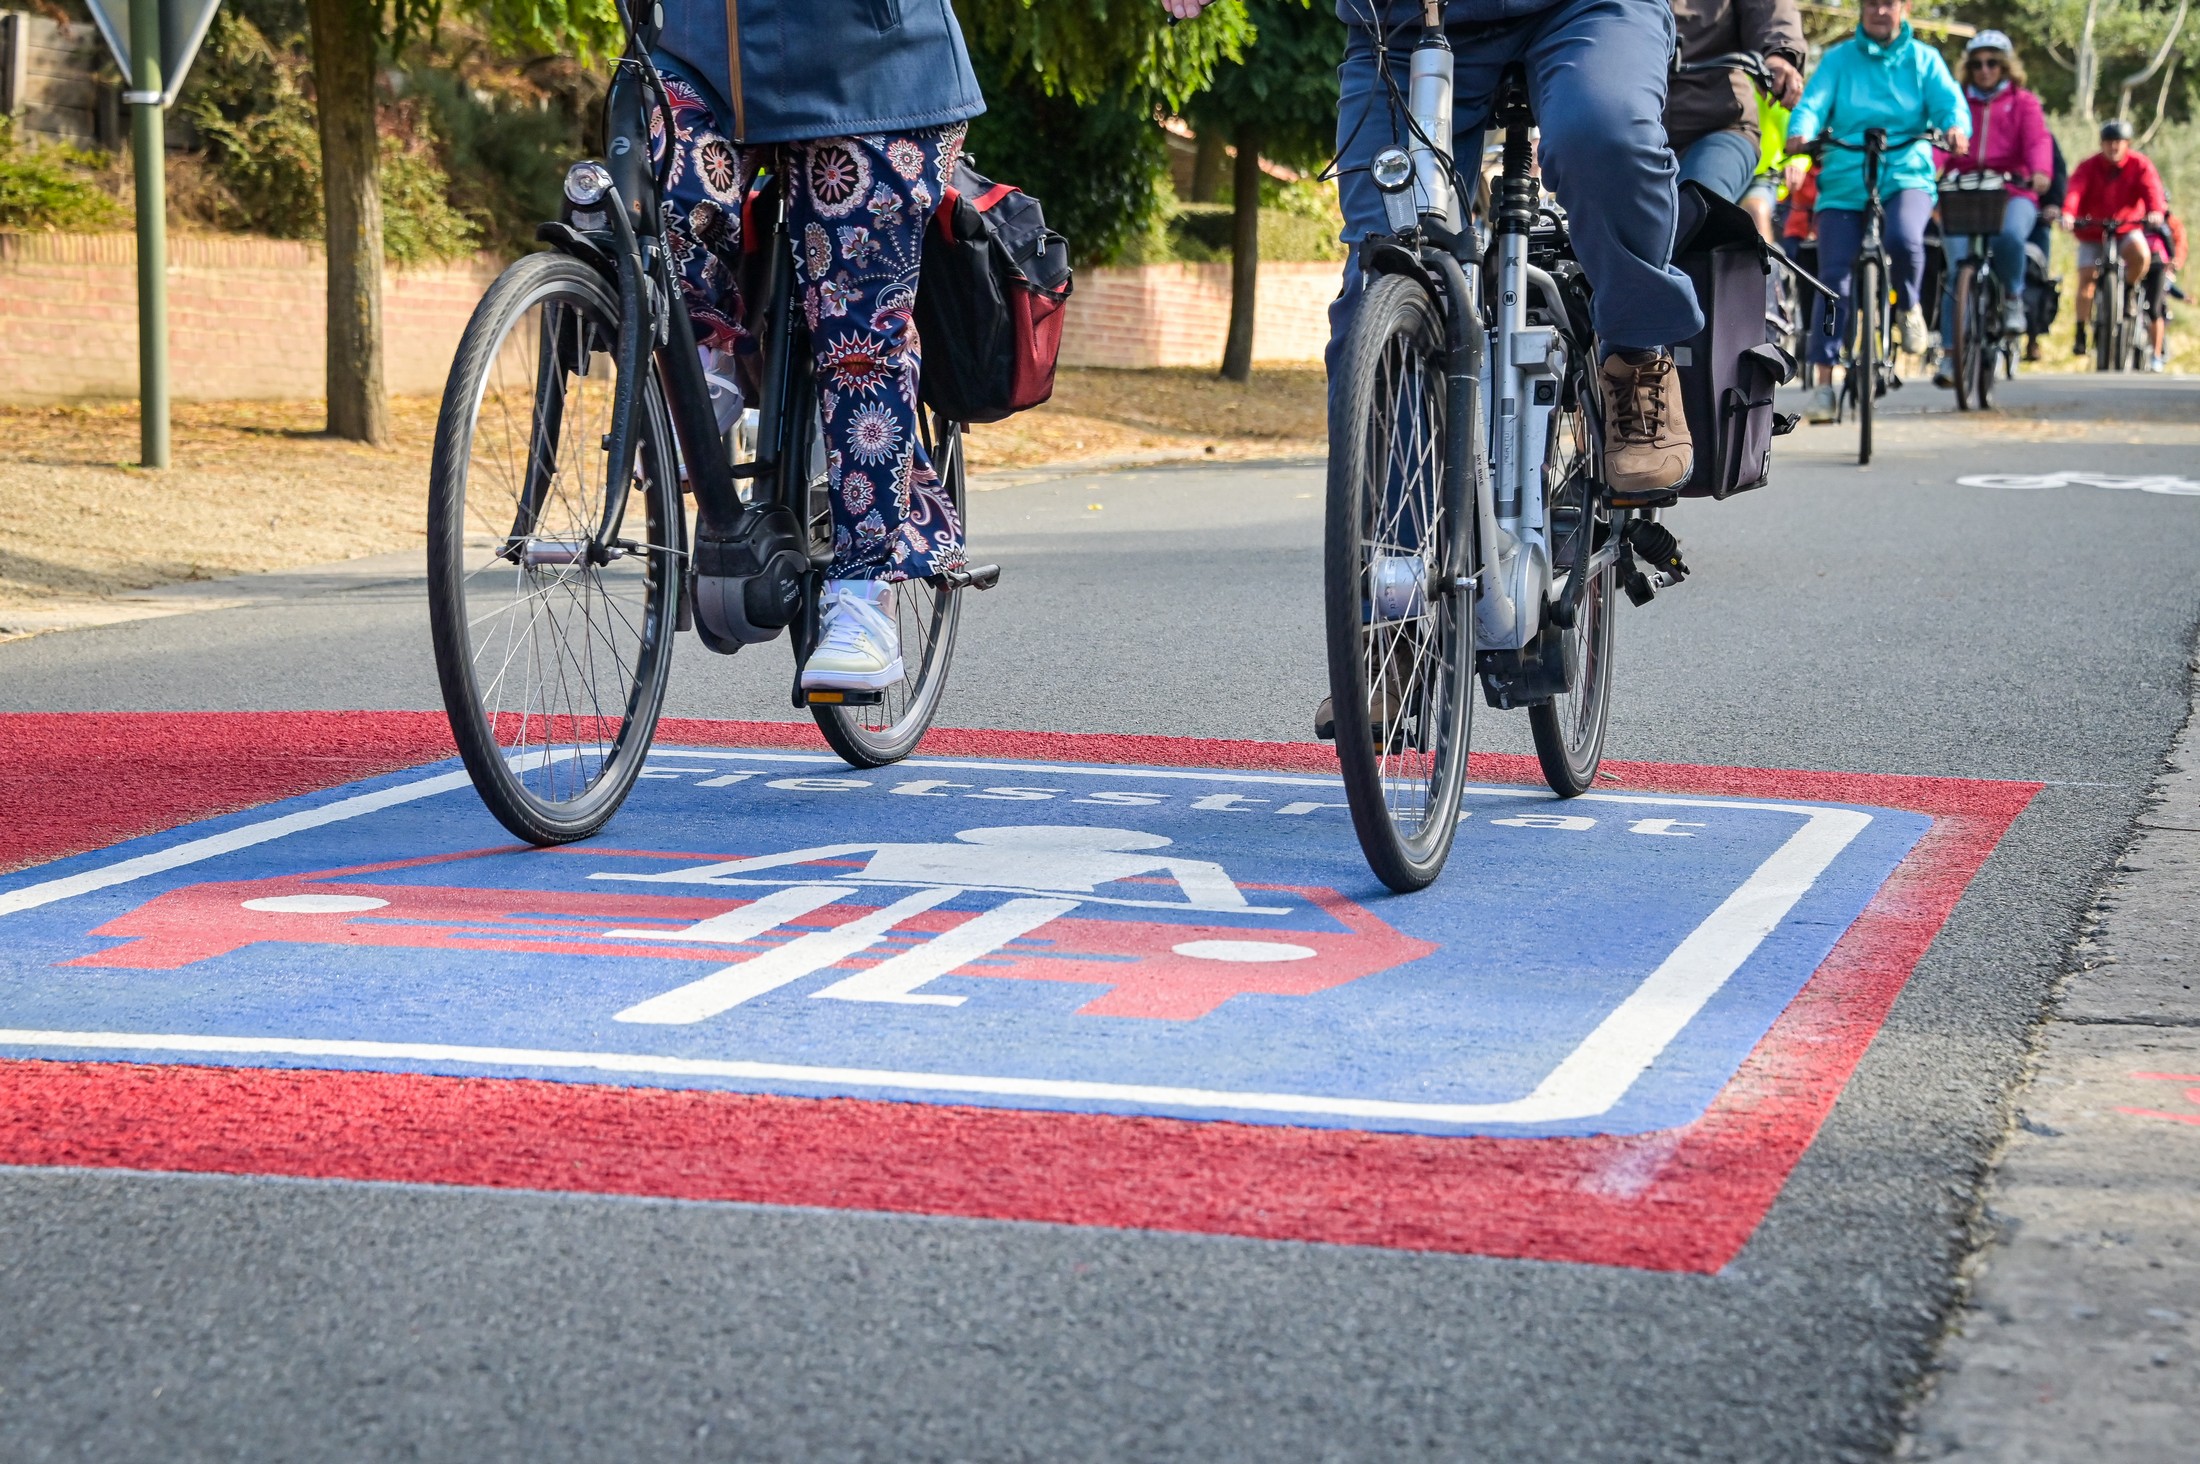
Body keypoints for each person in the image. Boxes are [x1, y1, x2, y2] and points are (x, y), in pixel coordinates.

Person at [1165, 0, 1715, 501]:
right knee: (1384, 269)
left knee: (1604, 137)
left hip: (1583, 11)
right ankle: (1395, 552)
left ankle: (1637, 352)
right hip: (1407, 20)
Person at [650, 0, 984, 691]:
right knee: (658, 221)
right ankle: (701, 383)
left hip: (871, 69)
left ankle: (865, 601)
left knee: (857, 330)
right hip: (702, 49)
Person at [1785, 0, 1968, 424]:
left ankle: (1908, 307)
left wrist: (1955, 126)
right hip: (1846, 177)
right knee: (1834, 280)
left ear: (1903, 8)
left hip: (1906, 172)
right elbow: (1812, 105)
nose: (1878, 11)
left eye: (1887, 3)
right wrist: (1800, 137)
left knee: (1905, 239)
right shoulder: (1839, 60)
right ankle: (1825, 384)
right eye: (1870, 3)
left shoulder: (1925, 59)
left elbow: (1949, 104)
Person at [1930, 30, 2050, 388]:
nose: (1984, 70)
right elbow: (1938, 141)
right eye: (1978, 63)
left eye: (1992, 63)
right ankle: (1951, 357)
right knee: (1956, 273)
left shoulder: (2024, 102)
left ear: (2005, 66)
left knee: (2011, 236)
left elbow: (2038, 140)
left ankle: (2012, 298)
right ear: (1969, 67)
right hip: (1962, 191)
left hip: (2013, 190)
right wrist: (1929, 172)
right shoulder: (1955, 102)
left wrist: (2040, 173)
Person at [1666, 0, 1805, 206]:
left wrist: (1779, 54)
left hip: (1720, 125)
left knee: (1701, 208)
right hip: (1627, 133)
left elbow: (1768, 10)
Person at [2059, 118, 2168, 360]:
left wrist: (2155, 211)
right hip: (2092, 231)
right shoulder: (2088, 166)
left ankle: (2128, 289)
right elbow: (2075, 190)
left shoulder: (2140, 165)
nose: (2113, 148)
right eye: (2109, 142)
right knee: (2086, 277)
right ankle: (2080, 330)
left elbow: (2153, 190)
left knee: (2141, 254)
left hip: (2126, 227)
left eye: (2118, 142)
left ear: (2127, 144)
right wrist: (2068, 213)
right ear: (2102, 144)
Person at [2143, 205, 2187, 371]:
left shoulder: (2162, 224)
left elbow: (2173, 245)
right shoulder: (2134, 221)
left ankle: (2156, 355)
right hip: (2134, 267)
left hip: (2157, 265)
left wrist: (2172, 262)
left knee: (2155, 309)